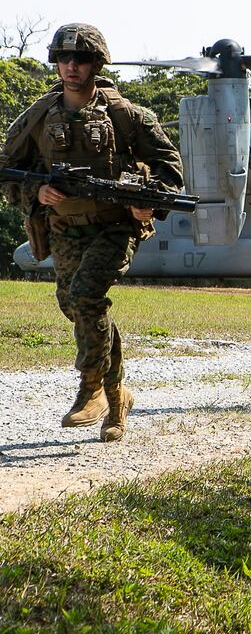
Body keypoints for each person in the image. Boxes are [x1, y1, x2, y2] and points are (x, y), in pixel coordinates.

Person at [0, 23, 184, 442]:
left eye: (80, 59)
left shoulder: (128, 116)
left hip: (116, 225)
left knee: (85, 295)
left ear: (96, 63)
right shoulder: (36, 118)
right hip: (63, 228)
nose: (71, 66)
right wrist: (37, 190)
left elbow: (170, 169)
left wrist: (149, 200)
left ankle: (91, 389)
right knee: (78, 305)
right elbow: (9, 171)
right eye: (64, 59)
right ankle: (118, 397)